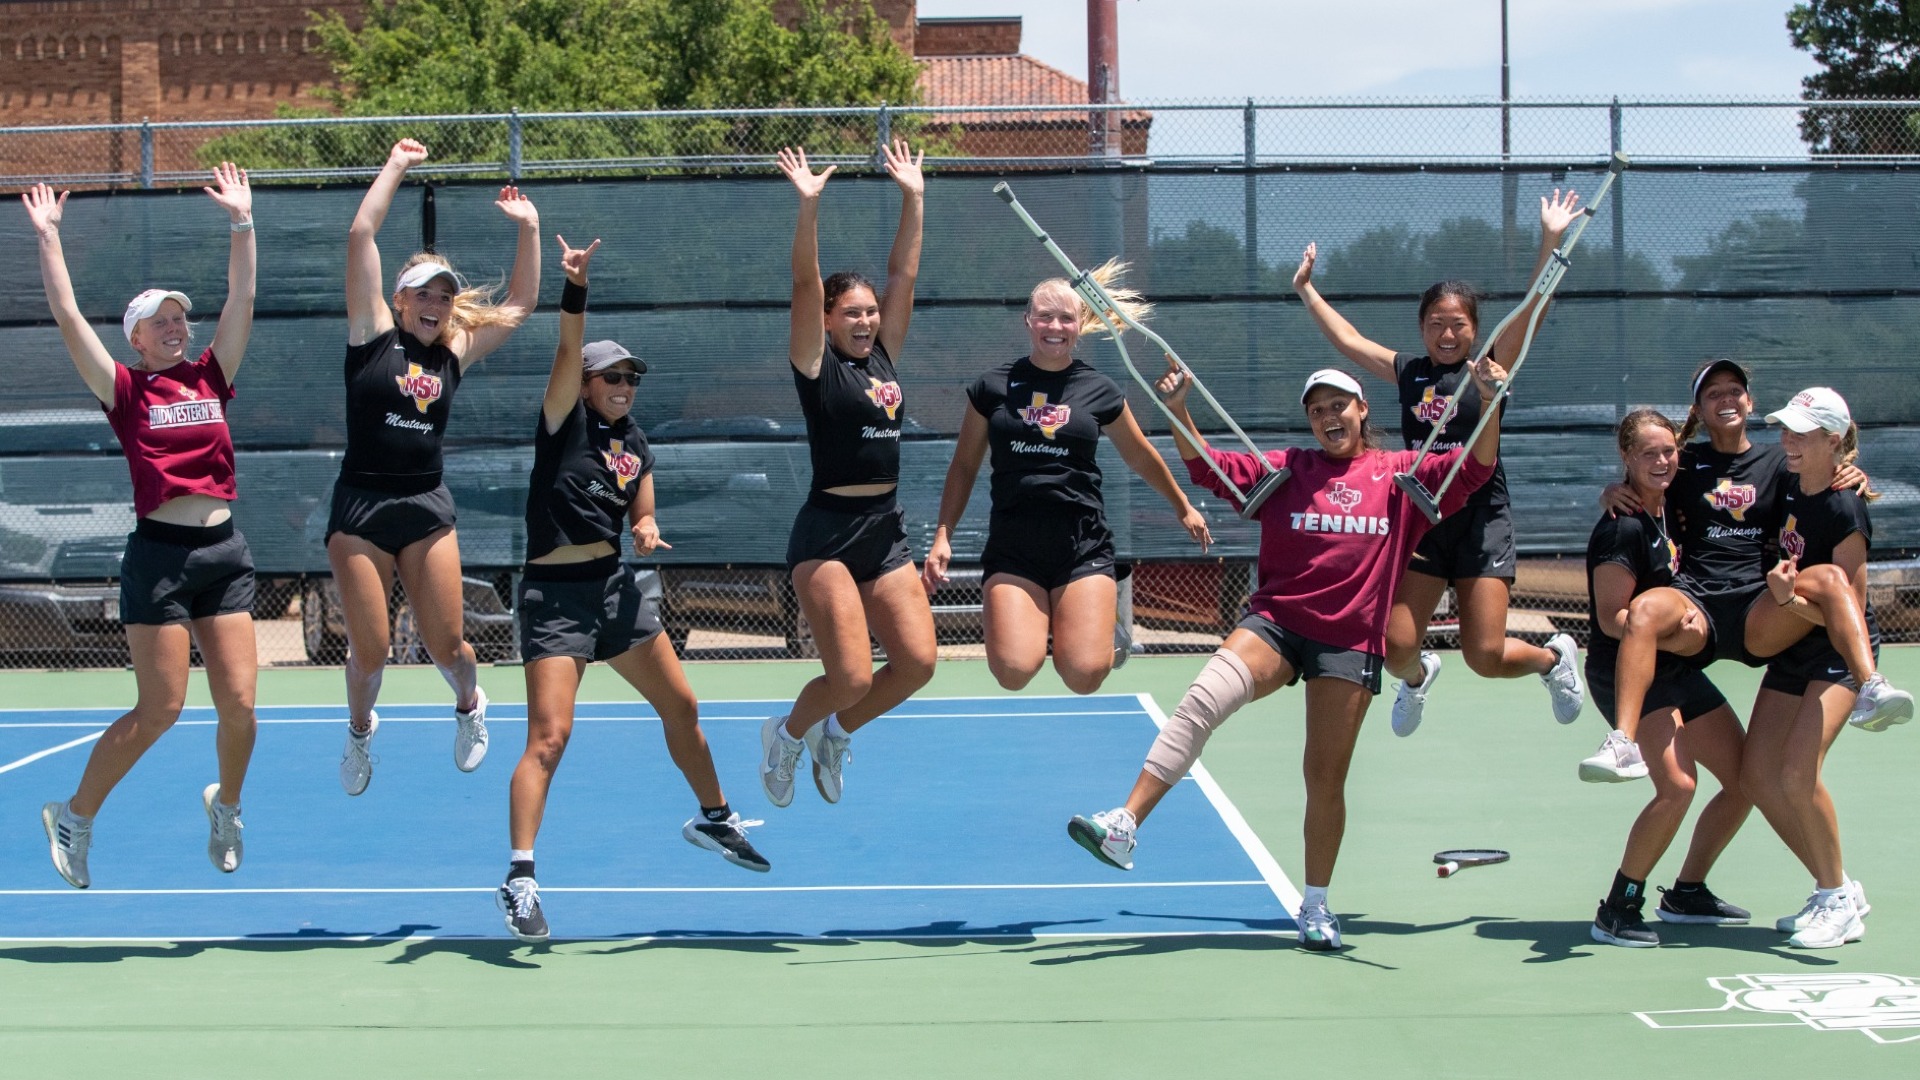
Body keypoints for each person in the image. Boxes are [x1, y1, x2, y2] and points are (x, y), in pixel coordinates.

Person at [1069, 356, 1505, 952]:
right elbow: (1209, 469)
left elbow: (1476, 470)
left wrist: (1491, 401)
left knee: (1322, 779)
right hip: (1276, 623)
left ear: (1362, 410)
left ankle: (1317, 905)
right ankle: (1125, 824)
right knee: (1202, 699)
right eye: (1317, 409)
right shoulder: (1286, 469)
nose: (1329, 416)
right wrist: (1178, 412)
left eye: (1339, 405)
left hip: (1349, 640)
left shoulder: (1401, 473)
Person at [496, 236, 767, 944]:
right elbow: (566, 350)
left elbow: (641, 506)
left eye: (630, 378)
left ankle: (715, 820)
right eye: (610, 377)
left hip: (613, 588)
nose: (622, 386)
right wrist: (576, 287)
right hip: (556, 597)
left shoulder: (636, 443)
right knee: (550, 737)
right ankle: (520, 878)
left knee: (682, 704)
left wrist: (646, 529)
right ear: (585, 384)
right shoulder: (562, 423)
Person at [25, 166, 259, 887]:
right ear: (136, 337)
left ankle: (226, 808)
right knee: (161, 708)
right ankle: (75, 814)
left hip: (222, 550)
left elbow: (244, 298)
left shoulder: (211, 377)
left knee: (243, 707)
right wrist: (49, 239)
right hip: (159, 557)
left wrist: (242, 224)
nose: (175, 323)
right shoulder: (126, 391)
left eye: (179, 316)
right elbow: (67, 319)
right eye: (160, 318)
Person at [1291, 190, 1586, 736]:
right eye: (1435, 324)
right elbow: (1350, 341)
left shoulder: (1492, 365)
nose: (1447, 334)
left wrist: (1550, 240)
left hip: (1480, 520)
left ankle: (1553, 658)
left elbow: (1535, 306)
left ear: (1475, 328)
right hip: (1425, 517)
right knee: (1395, 644)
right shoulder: (1408, 371)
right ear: (1422, 327)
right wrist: (1307, 289)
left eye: (1457, 324)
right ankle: (1420, 673)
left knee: (1485, 655)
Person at [332, 138, 540, 796]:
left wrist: (530, 228)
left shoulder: (455, 352)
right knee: (371, 653)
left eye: (445, 294)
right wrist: (394, 162)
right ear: (399, 301)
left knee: (450, 649)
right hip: (360, 511)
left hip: (426, 510)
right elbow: (361, 231)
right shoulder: (370, 336)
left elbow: (523, 303)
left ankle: (471, 706)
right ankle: (360, 733)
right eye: (424, 292)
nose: (437, 301)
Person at [1583, 361, 1907, 782]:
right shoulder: (1682, 463)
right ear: (1697, 409)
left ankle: (1871, 686)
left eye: (1734, 389)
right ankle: (1622, 744)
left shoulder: (1782, 461)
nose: (1726, 399)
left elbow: (1819, 476)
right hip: (1697, 605)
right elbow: (1646, 473)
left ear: (1750, 401)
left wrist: (1849, 469)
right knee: (1643, 611)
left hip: (1758, 607)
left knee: (1829, 579)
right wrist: (1612, 490)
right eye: (1713, 392)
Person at [921, 271, 1212, 693]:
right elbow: (964, 465)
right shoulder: (992, 387)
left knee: (1084, 675)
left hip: (1082, 542)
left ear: (1080, 326)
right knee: (1014, 671)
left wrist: (1182, 504)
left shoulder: (1100, 389)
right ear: (1028, 321)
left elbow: (1139, 455)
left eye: (1065, 318)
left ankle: (1096, 630)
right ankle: (1061, 622)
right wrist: (942, 534)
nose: (1055, 327)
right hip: (1014, 544)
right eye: (1045, 317)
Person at [758, 141, 936, 808]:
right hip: (826, 531)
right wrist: (809, 209)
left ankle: (834, 732)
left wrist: (914, 196)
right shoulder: (816, 363)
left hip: (883, 529)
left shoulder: (885, 355)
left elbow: (904, 274)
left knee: (917, 663)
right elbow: (806, 282)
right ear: (829, 323)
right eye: (852, 312)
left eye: (870, 311)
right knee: (854, 674)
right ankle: (788, 732)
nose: (866, 319)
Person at [1582, 410, 1753, 948]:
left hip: (1675, 667)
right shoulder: (1622, 526)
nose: (1662, 461)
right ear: (1627, 459)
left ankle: (1687, 892)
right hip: (1625, 669)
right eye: (1648, 453)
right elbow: (1615, 617)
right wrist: (1669, 629)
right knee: (1678, 786)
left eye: (1669, 451)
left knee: (1750, 778)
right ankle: (1618, 906)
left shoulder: (1677, 508)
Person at [1741, 387, 1892, 949]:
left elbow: (1843, 608)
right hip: (1791, 652)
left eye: (1802, 434)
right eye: (1785, 430)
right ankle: (1838, 890)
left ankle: (1836, 901)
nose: (1787, 441)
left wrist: (1785, 602)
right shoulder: (1786, 481)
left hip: (1835, 656)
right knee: (1757, 776)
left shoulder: (1843, 506)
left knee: (1798, 775)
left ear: (1834, 441)